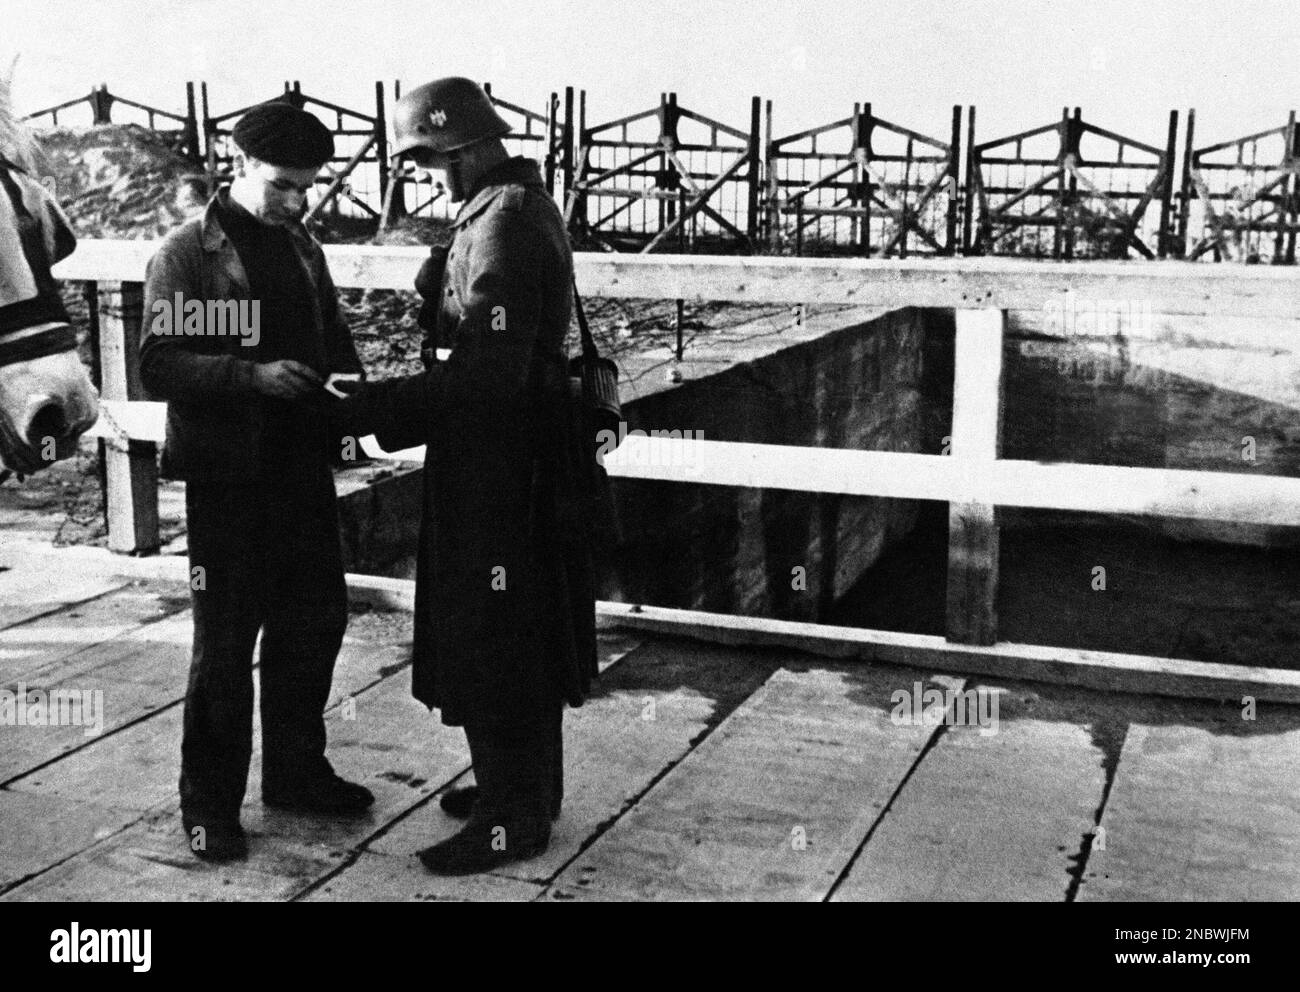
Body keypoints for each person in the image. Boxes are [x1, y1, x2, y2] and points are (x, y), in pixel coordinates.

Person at [339, 76, 598, 875]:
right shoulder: (502, 208)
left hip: (502, 462)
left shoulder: (507, 220)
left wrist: (375, 405)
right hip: (507, 451)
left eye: (433, 161)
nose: (429, 178)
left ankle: (511, 817)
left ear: (470, 148)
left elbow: (489, 371)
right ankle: (521, 787)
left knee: (499, 631)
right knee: (512, 622)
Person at [140, 100, 372, 863]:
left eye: (307, 188)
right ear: (238, 167)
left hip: (301, 470)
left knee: (315, 622)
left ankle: (297, 774)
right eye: (282, 186)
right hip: (229, 479)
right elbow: (160, 365)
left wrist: (349, 391)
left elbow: (332, 339)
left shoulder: (303, 248)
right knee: (226, 645)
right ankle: (208, 807)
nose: (297, 203)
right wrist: (253, 375)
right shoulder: (189, 254)